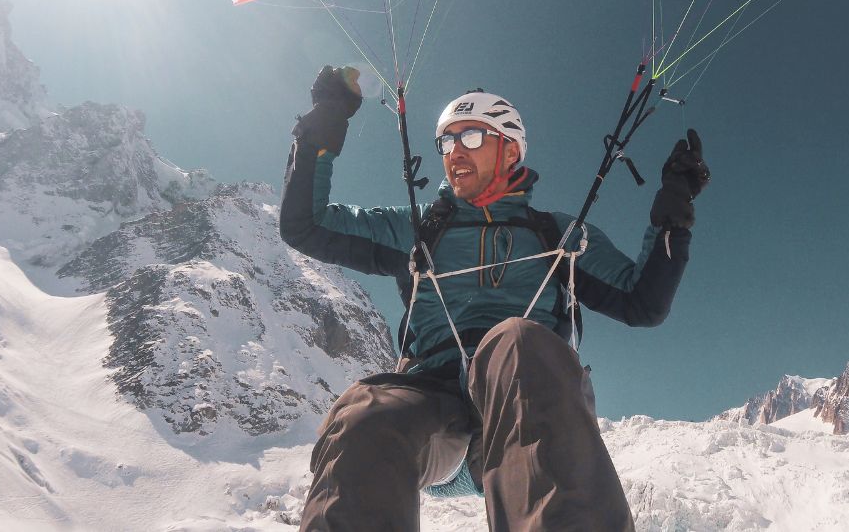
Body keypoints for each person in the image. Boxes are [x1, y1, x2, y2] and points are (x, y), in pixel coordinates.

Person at [280, 66, 709, 531]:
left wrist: (673, 214)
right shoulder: (419, 228)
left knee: (516, 341)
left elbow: (642, 302)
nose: (454, 153)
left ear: (511, 148)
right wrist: (326, 118)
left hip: (526, 407)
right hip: (435, 415)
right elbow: (307, 225)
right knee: (365, 411)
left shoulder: (554, 233)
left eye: (471, 138)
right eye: (447, 141)